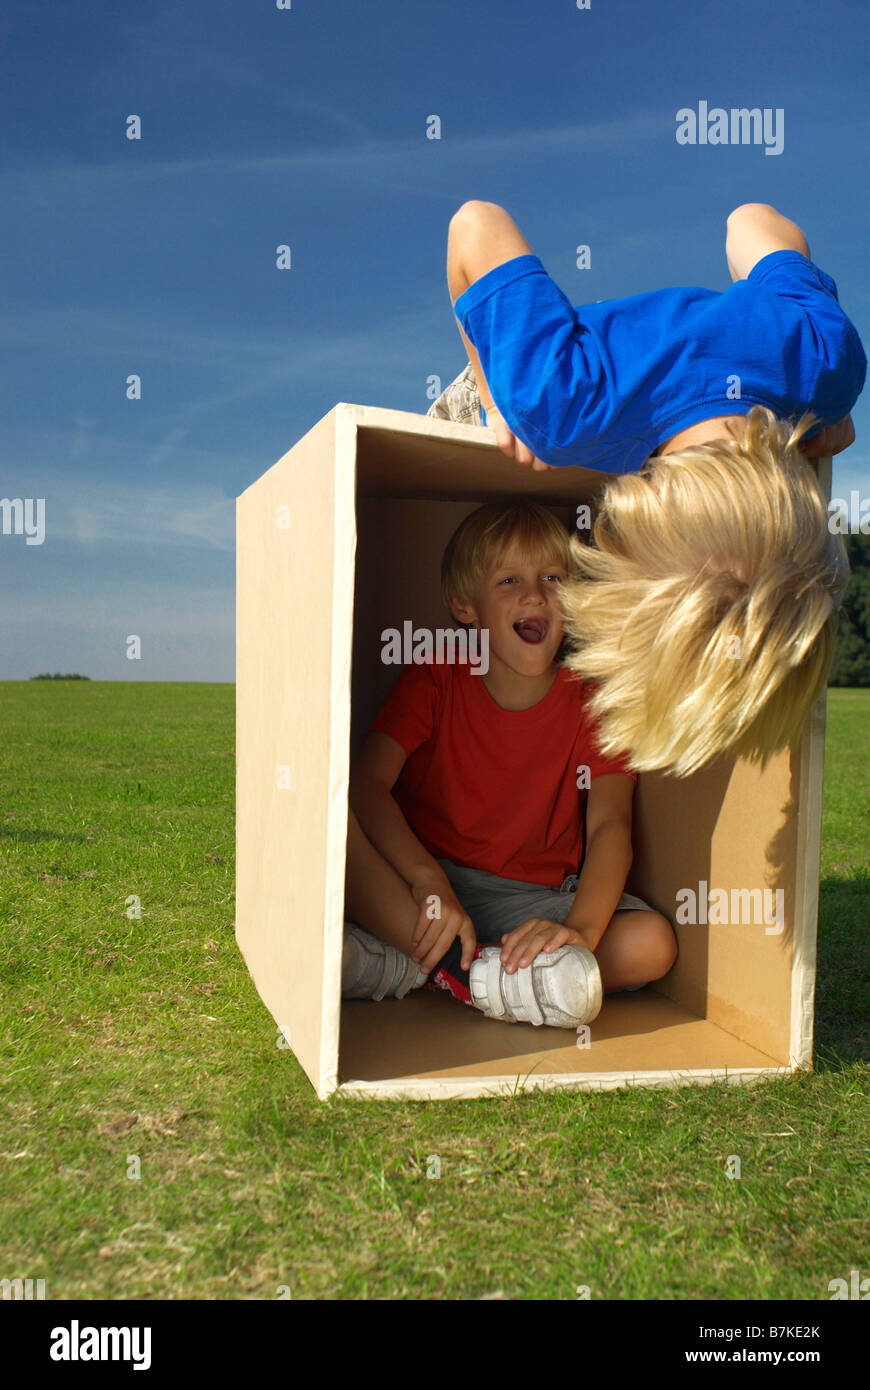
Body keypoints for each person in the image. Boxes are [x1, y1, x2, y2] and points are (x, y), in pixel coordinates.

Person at [431, 202, 866, 777]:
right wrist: (494, 403)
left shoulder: (827, 361)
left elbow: (751, 219)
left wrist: (810, 410)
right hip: (503, 384)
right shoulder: (560, 403)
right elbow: (472, 224)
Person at [341, 500, 677, 1026]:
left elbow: (611, 823)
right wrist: (427, 878)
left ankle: (423, 970)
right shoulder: (436, 673)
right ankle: (487, 976)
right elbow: (364, 786)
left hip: (533, 904)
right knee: (337, 833)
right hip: (423, 885)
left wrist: (584, 933)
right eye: (508, 581)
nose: (535, 595)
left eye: (551, 578)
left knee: (651, 943)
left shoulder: (592, 700)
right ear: (464, 605)